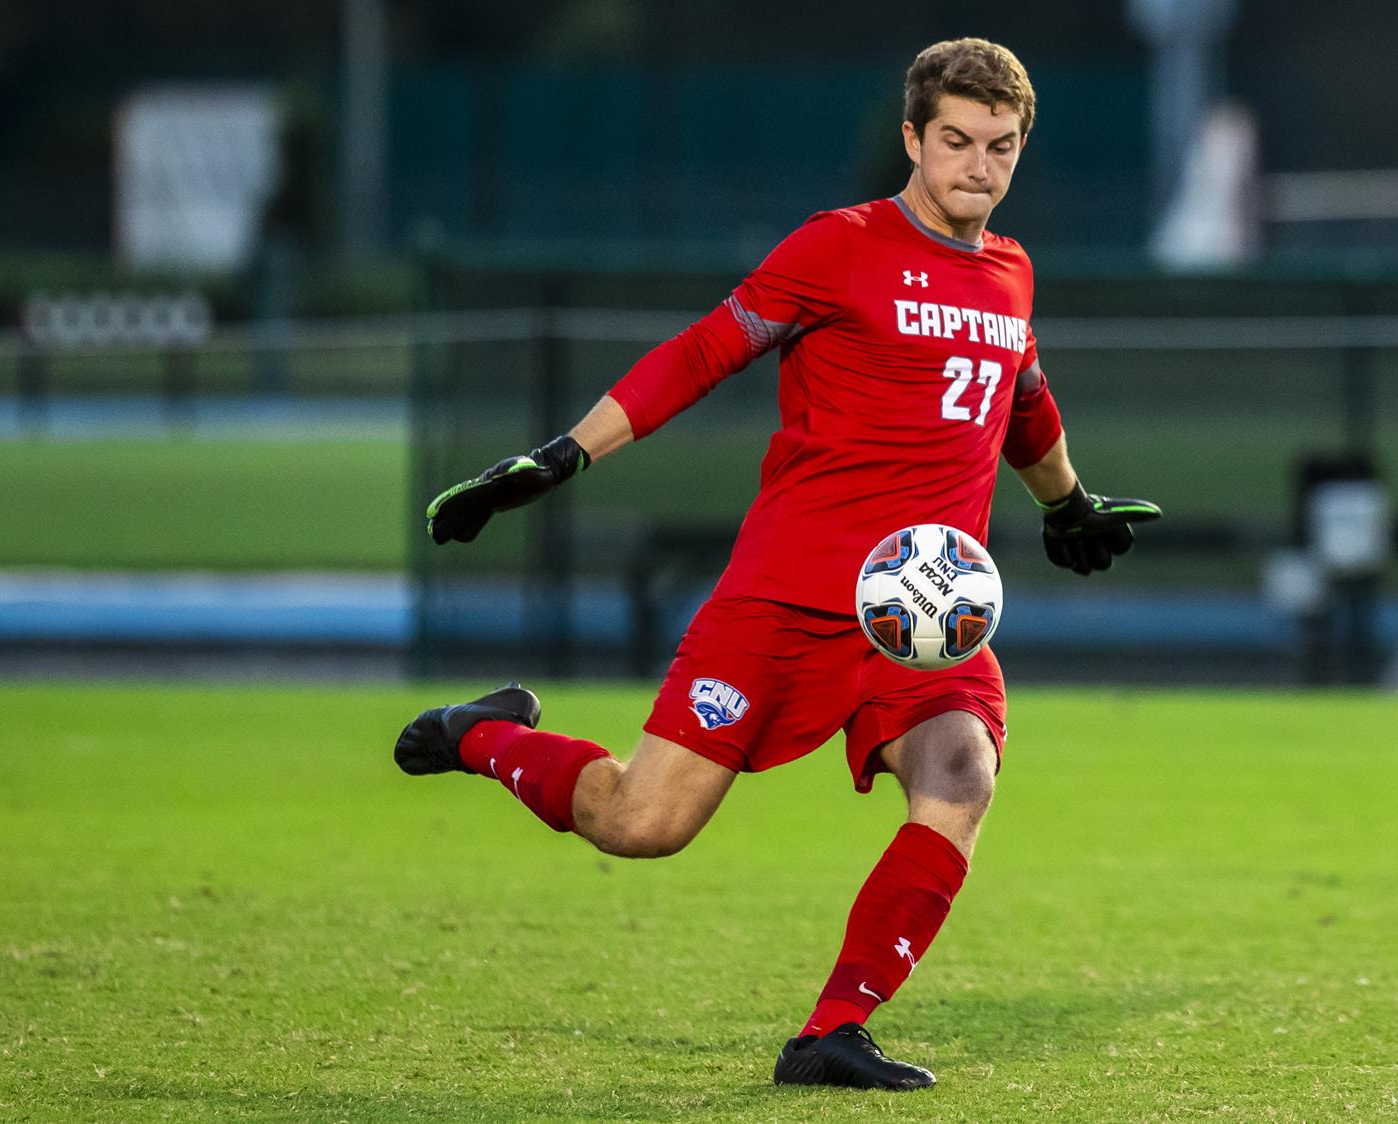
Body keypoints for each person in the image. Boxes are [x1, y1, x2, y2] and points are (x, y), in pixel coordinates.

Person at [394, 37, 1161, 1092]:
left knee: (960, 774)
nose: (976, 165)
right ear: (910, 138)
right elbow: (705, 349)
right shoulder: (835, 247)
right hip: (784, 595)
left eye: (999, 145)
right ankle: (480, 734)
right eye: (954, 141)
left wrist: (1066, 499)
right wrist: (563, 453)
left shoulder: (1011, 274)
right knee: (640, 822)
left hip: (916, 608)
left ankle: (829, 1032)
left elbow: (1020, 399)